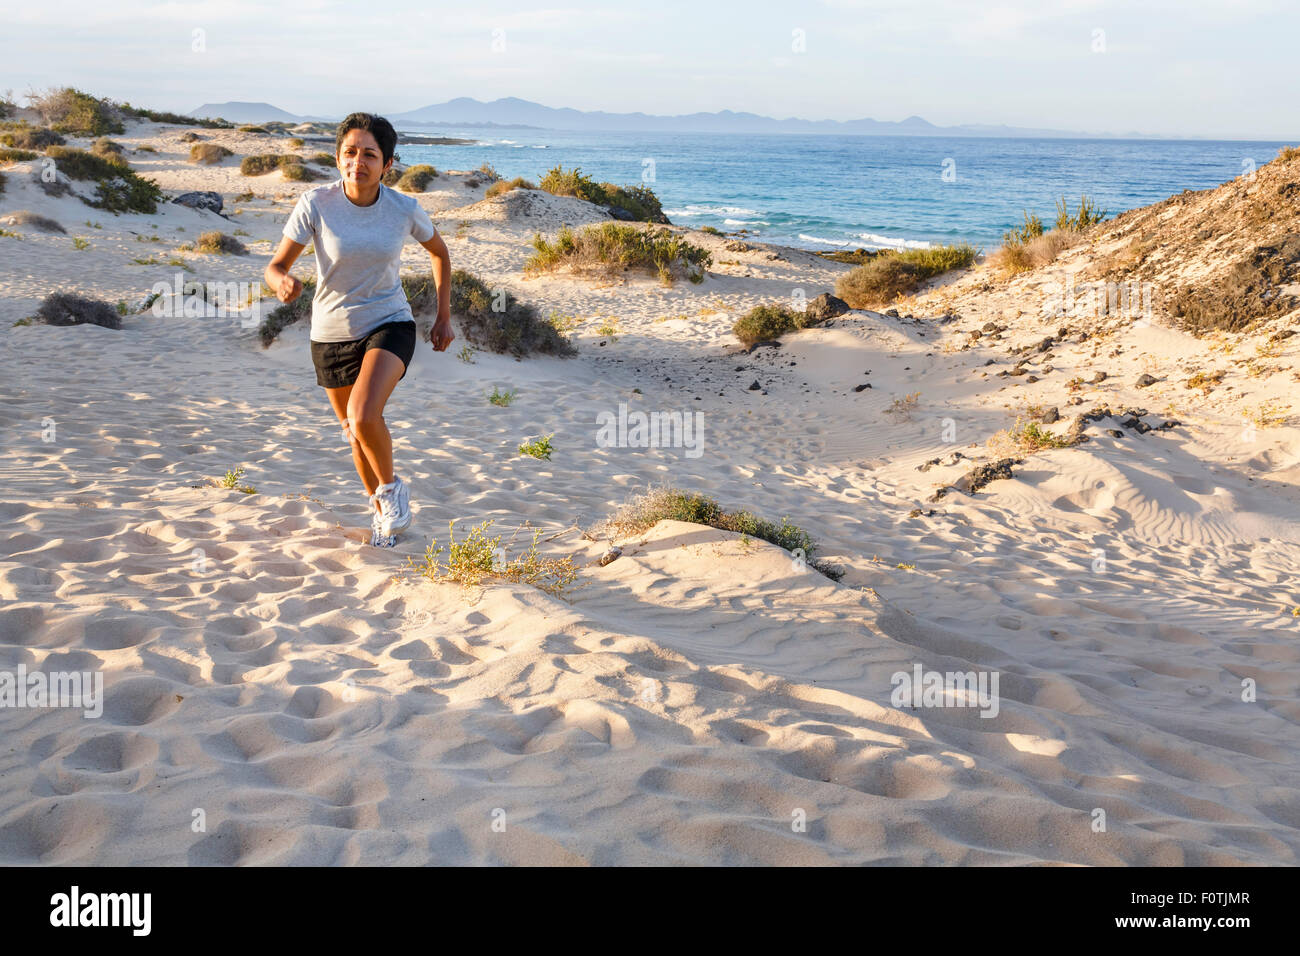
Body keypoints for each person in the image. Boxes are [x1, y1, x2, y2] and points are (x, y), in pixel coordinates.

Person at [263, 112, 454, 547]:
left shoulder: (403, 208)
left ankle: (393, 492)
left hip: (389, 322)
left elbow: (439, 254)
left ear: (387, 164)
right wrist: (282, 282)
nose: (358, 162)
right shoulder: (316, 203)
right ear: (337, 157)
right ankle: (382, 517)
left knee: (364, 415)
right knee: (354, 432)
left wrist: (443, 316)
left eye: (370, 154)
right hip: (330, 333)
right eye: (350, 152)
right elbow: (275, 266)